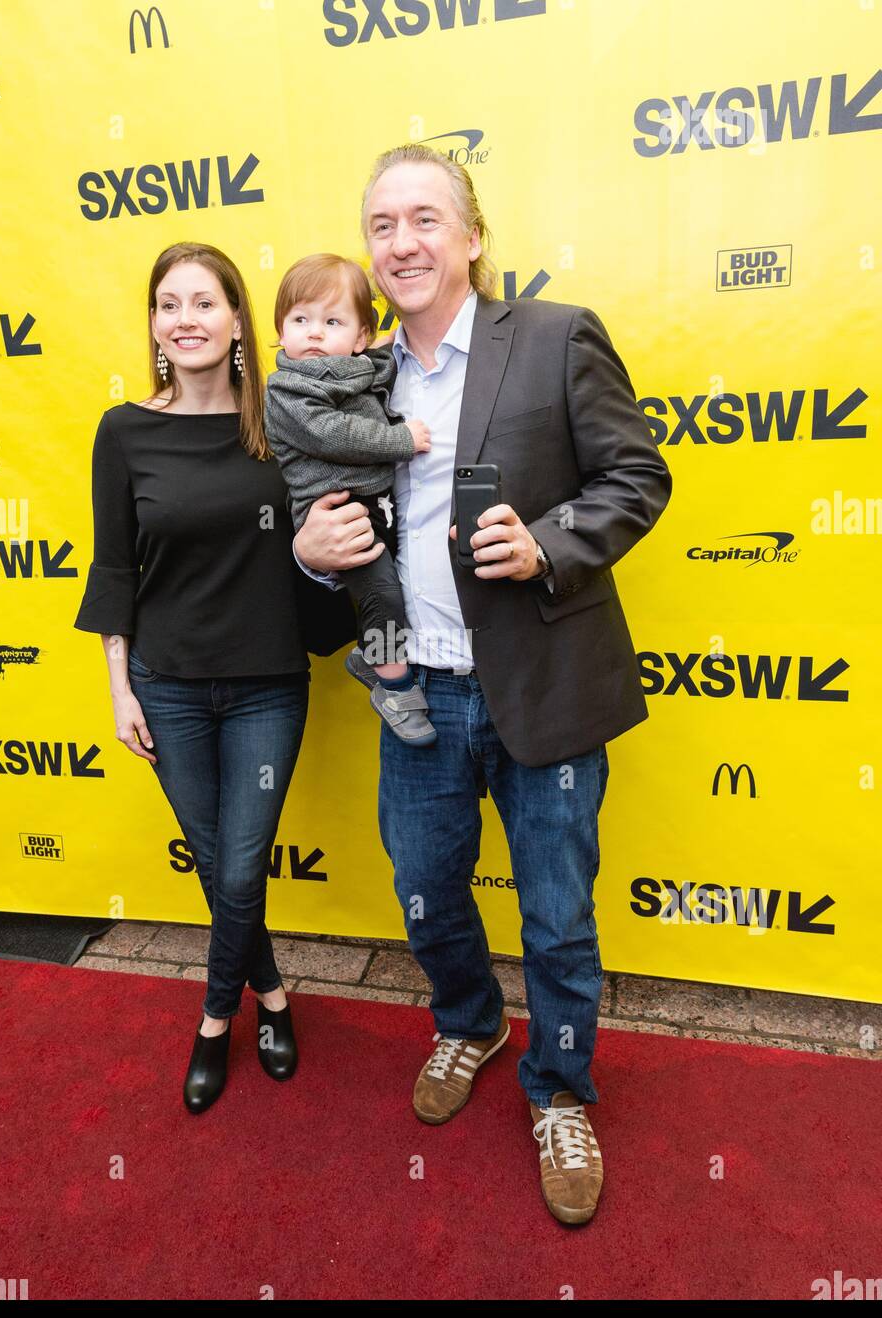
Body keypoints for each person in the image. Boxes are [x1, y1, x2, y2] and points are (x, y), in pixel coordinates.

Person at [293, 146, 673, 1225]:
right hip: (415, 693)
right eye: (380, 225)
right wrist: (312, 550)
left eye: (423, 219)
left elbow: (637, 474)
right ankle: (469, 1020)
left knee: (556, 918)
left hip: (542, 686)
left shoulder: (553, 338)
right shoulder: (350, 375)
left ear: (471, 237)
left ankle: (558, 1091)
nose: (401, 242)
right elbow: (326, 526)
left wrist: (550, 542)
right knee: (425, 892)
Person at [73, 241, 355, 1116]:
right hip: (168, 687)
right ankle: (270, 997)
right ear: (154, 324)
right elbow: (115, 569)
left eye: (204, 303)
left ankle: (211, 1016)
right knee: (218, 866)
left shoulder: (280, 423)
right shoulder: (124, 431)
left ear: (239, 321)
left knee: (238, 870)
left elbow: (338, 531)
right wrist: (121, 686)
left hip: (269, 683)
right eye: (169, 304)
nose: (185, 320)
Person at [265, 252, 437, 746]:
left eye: (332, 321)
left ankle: (373, 652)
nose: (314, 333)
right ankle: (397, 689)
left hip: (378, 506)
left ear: (360, 336)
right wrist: (403, 440)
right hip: (340, 518)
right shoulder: (288, 389)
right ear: (281, 330)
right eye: (300, 320)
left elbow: (374, 373)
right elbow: (334, 433)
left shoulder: (355, 368)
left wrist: (385, 349)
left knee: (398, 591)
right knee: (381, 593)